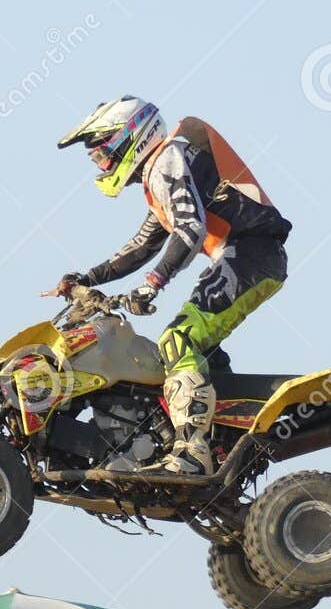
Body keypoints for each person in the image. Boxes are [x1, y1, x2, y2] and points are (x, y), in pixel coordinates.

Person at [53, 96, 292, 476]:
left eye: (101, 155)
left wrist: (152, 285)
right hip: (250, 257)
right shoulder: (161, 172)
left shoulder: (167, 159)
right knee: (197, 351)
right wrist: (87, 279)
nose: (100, 166)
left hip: (251, 255)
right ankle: (222, 441)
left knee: (177, 340)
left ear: (128, 138)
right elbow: (142, 245)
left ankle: (193, 452)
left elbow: (190, 229)